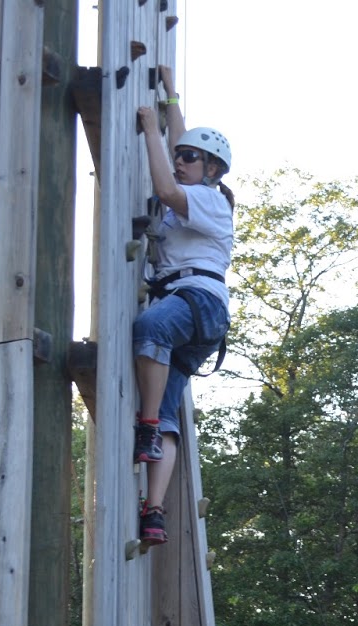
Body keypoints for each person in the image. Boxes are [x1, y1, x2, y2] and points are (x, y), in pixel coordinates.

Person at [132, 63, 235, 545]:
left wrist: (151, 130)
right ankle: (154, 513)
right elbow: (184, 142)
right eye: (179, 155)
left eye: (190, 158)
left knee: (151, 327)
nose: (180, 160)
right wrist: (171, 97)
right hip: (198, 316)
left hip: (197, 300)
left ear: (211, 170)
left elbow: (168, 187)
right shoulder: (199, 183)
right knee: (173, 416)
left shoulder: (209, 199)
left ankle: (146, 426)